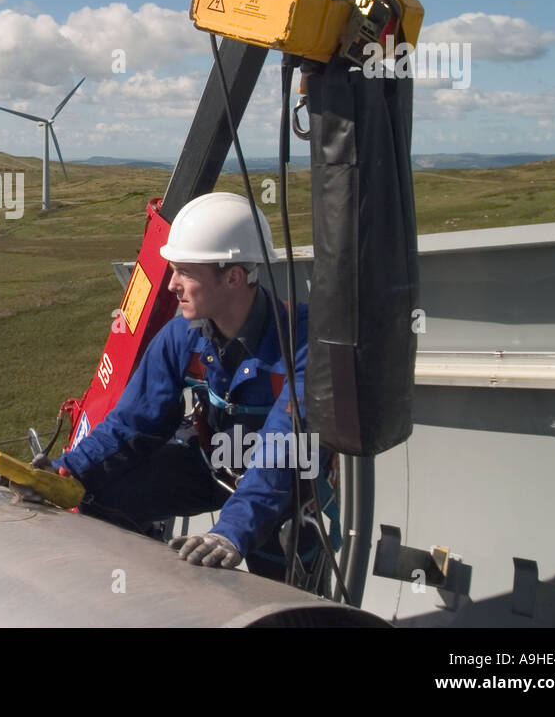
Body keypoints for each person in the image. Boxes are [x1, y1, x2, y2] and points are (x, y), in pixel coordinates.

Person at [34, 191, 333, 580]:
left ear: (234, 276)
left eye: (185, 272)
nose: (172, 284)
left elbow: (284, 450)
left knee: (286, 580)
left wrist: (231, 531)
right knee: (106, 496)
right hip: (212, 468)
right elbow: (131, 425)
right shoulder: (180, 338)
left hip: (283, 486)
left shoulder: (305, 343)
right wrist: (65, 473)